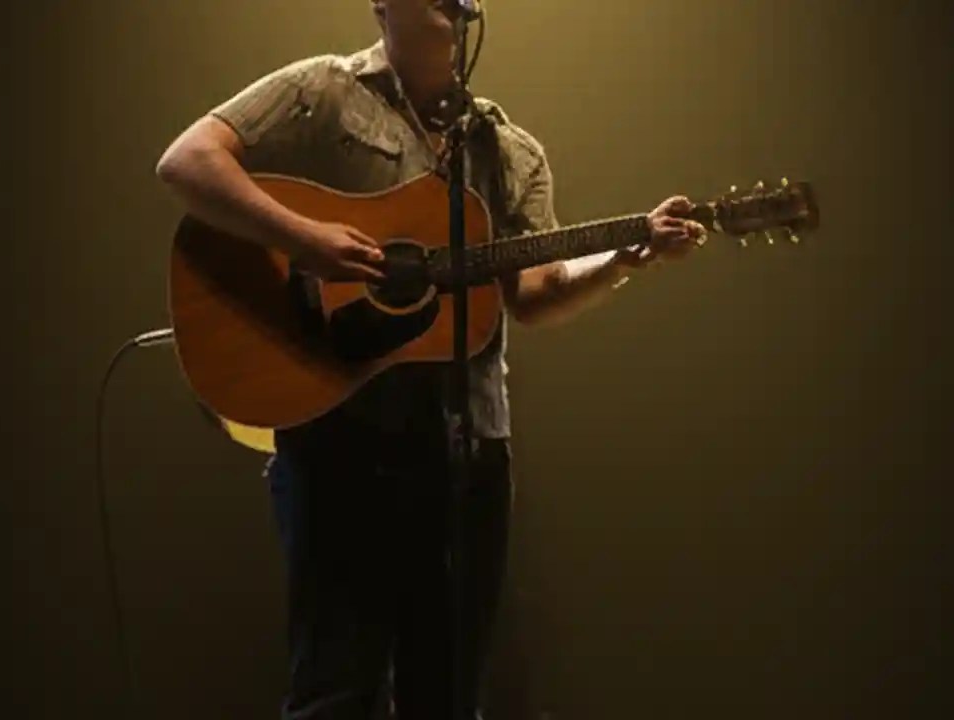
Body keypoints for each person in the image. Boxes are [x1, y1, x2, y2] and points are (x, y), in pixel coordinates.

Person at [155, 2, 707, 717]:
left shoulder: (509, 151)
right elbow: (186, 162)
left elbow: (534, 295)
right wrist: (304, 239)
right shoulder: (322, 91)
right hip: (338, 434)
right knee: (335, 692)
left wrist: (624, 259)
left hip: (467, 449)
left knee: (447, 696)